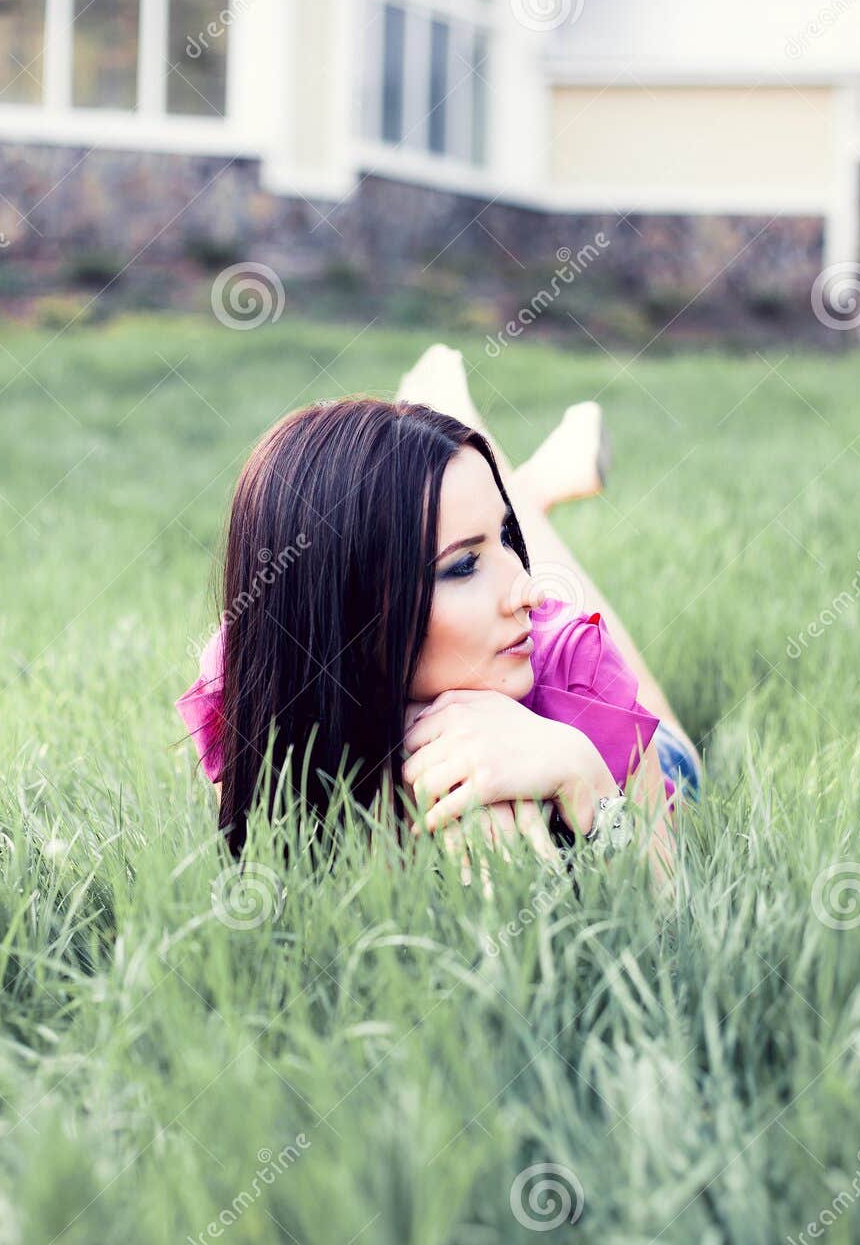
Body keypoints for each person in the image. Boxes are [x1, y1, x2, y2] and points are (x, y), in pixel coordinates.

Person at [174, 345, 700, 870]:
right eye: (463, 566)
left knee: (587, 648)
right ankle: (530, 484)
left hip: (649, 758)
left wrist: (583, 774)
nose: (530, 590)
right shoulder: (261, 678)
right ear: (348, 608)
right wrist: (397, 744)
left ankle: (514, 487)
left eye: (508, 537)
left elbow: (668, 903)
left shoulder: (575, 665)